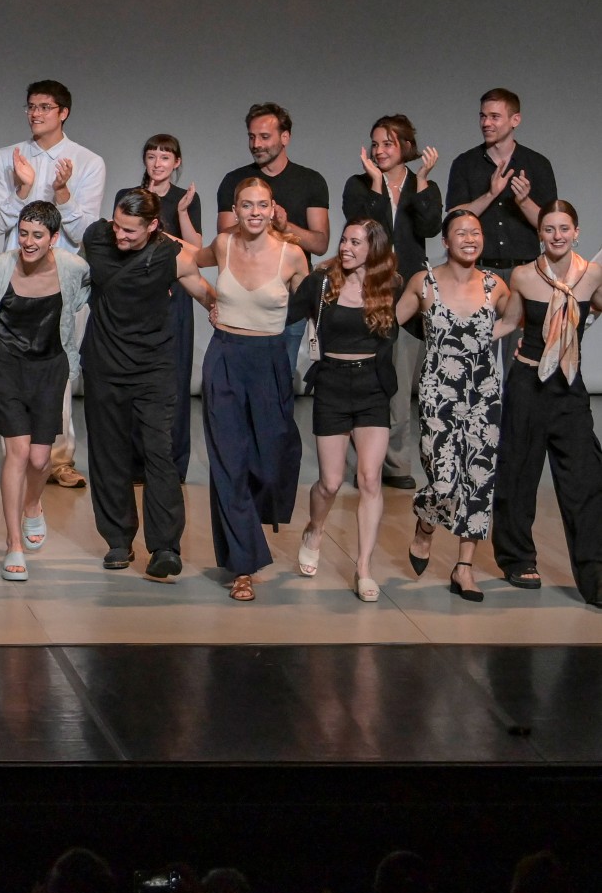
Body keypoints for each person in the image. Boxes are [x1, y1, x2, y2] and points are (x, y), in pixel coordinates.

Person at [175, 178, 311, 600]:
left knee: (270, 464)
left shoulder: (292, 255)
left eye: (262, 205)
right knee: (229, 464)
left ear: (273, 209)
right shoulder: (222, 244)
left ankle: (257, 523)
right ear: (235, 209)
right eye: (246, 205)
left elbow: (309, 309)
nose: (254, 212)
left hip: (270, 361)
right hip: (226, 359)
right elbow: (184, 263)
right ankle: (243, 566)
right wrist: (209, 299)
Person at [0, 201, 90, 584]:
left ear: (53, 238)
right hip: (4, 365)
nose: (28, 242)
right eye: (23, 233)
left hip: (49, 368)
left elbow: (89, 296)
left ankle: (33, 504)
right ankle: (13, 543)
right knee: (17, 451)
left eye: (37, 235)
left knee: (40, 458)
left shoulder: (72, 268)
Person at [0, 82, 107, 492]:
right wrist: (22, 188)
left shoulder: (88, 161)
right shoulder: (6, 157)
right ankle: (16, 453)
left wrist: (62, 195)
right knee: (10, 361)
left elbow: (87, 230)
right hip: (14, 280)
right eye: (31, 107)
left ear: (64, 112)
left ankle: (58, 458)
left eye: (45, 107)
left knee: (60, 364)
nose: (36, 114)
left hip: (62, 281)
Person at [78, 188, 203, 580]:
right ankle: (118, 539)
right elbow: (72, 277)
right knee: (109, 453)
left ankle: (165, 546)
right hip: (104, 364)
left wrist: (229, 311)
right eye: (118, 224)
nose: (121, 235)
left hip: (154, 366)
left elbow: (203, 285)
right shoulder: (97, 237)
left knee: (158, 453)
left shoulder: (170, 252)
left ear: (152, 225)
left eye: (131, 230)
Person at [399, 208, 522, 598]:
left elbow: (517, 318)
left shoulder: (494, 285)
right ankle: (425, 523)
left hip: (484, 394)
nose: (470, 238)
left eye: (476, 232)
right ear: (446, 241)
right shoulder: (425, 282)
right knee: (444, 478)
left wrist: (494, 334)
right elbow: (387, 321)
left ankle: (464, 567)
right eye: (461, 232)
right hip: (439, 394)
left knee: (479, 479)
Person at [495, 202, 602, 604]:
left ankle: (595, 574)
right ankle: (517, 558)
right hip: (528, 382)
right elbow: (509, 323)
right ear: (540, 234)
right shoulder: (524, 274)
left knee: (585, 479)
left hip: (568, 386)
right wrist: (458, 339)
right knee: (519, 473)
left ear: (576, 232)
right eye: (549, 229)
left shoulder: (591, 275)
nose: (556, 235)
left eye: (564, 228)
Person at [298, 218, 401, 600]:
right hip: (333, 385)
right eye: (344, 240)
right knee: (330, 482)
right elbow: (286, 314)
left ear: (373, 249)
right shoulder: (322, 285)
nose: (346, 247)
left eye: (356, 242)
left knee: (370, 479)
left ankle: (363, 568)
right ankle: (314, 528)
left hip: (372, 386)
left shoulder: (391, 287)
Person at [342, 114, 442, 491]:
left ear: (405, 147)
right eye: (375, 143)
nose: (379, 150)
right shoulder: (358, 185)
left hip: (410, 296)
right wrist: (375, 185)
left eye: (387, 143)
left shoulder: (423, 185)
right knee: (364, 379)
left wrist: (421, 183)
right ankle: (361, 465)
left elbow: (430, 226)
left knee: (400, 383)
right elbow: (364, 229)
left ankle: (396, 464)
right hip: (369, 289)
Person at [139, 134, 207, 478]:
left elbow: (197, 253)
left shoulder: (186, 200)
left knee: (177, 378)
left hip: (178, 294)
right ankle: (139, 461)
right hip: (142, 296)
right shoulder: (133, 197)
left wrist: (181, 214)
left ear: (176, 163)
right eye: (152, 156)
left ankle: (174, 464)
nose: (157, 163)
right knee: (140, 379)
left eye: (165, 158)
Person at [447, 88, 557, 280]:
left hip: (526, 271)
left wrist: (524, 202)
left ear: (515, 120)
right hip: (477, 270)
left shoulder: (538, 164)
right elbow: (453, 219)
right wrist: (490, 195)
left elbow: (550, 225)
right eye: (483, 116)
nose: (486, 123)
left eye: (494, 117)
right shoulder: (464, 163)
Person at [216, 104, 332, 255]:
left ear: (285, 137)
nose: (256, 144)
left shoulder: (311, 181)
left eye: (265, 137)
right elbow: (223, 241)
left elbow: (320, 245)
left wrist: (285, 227)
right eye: (252, 137)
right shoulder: (233, 180)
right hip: (247, 276)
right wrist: (257, 222)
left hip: (295, 276)